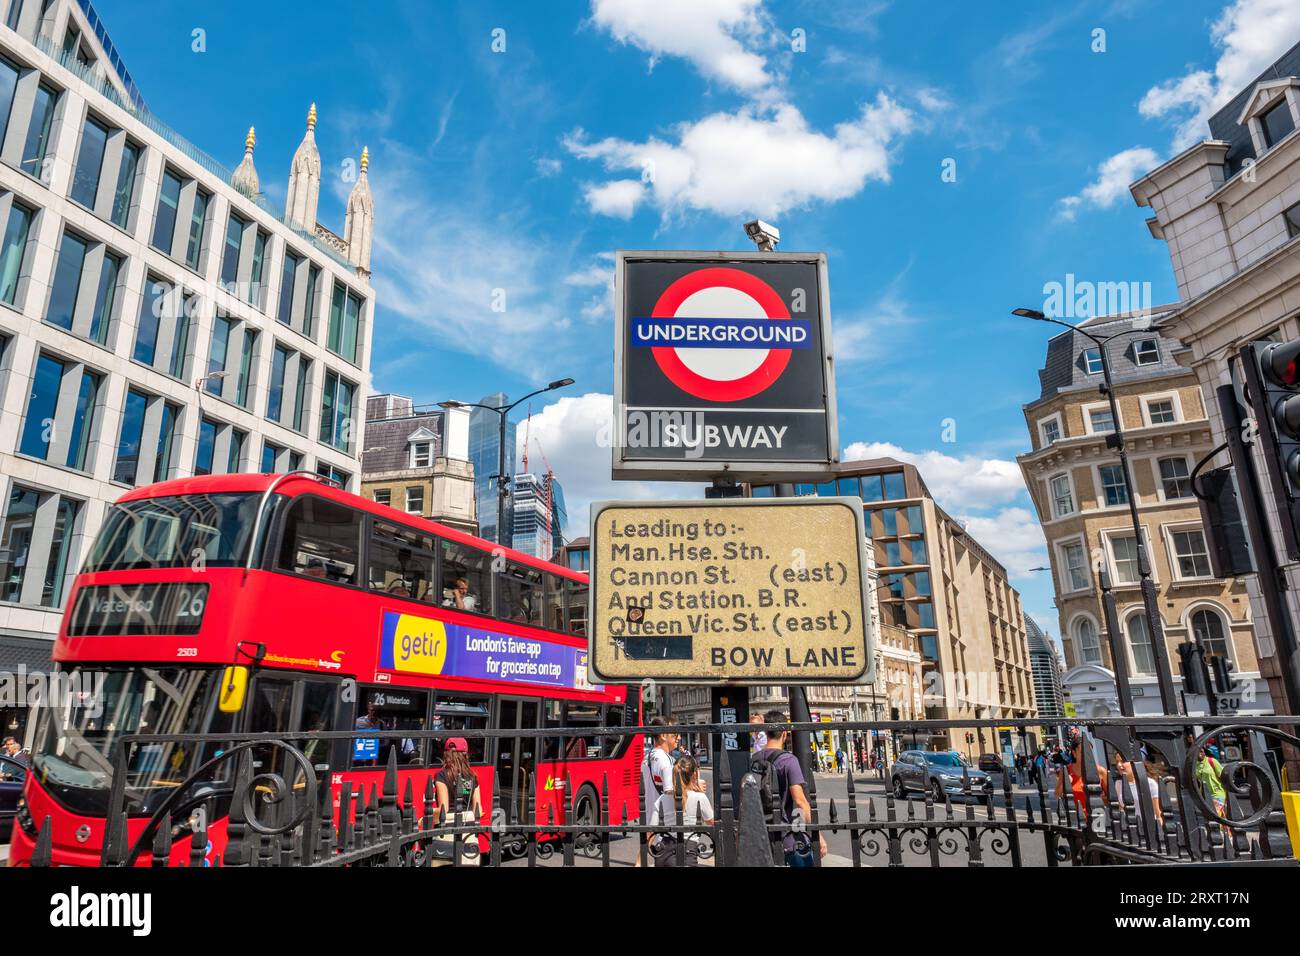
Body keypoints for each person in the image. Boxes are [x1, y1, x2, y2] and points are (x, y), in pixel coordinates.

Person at [752, 711, 827, 866]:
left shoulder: (754, 759)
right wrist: (818, 835)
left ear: (766, 731)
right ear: (785, 734)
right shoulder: (788, 760)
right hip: (789, 837)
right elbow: (800, 801)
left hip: (762, 836)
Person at [648, 754, 715, 866]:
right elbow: (713, 824)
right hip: (687, 853)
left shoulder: (662, 799)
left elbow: (650, 831)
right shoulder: (700, 798)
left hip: (663, 854)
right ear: (694, 775)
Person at [431, 738, 482, 864]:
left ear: (446, 754)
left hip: (446, 830)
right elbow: (479, 810)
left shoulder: (441, 775)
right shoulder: (472, 777)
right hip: (468, 831)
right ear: (465, 754)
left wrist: (428, 815)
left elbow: (444, 808)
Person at [639, 716, 677, 865]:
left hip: (650, 817)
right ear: (662, 735)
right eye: (674, 734)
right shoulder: (666, 761)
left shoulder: (647, 757)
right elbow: (669, 792)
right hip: (665, 826)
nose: (678, 737)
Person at [1194, 746, 1228, 819]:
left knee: (1215, 815)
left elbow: (1223, 775)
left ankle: (1219, 829)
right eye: (1197, 752)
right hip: (1205, 795)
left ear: (1205, 753)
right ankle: (1225, 830)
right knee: (1216, 817)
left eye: (1201, 751)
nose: (1199, 753)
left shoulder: (1212, 761)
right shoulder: (1195, 765)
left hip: (1218, 793)